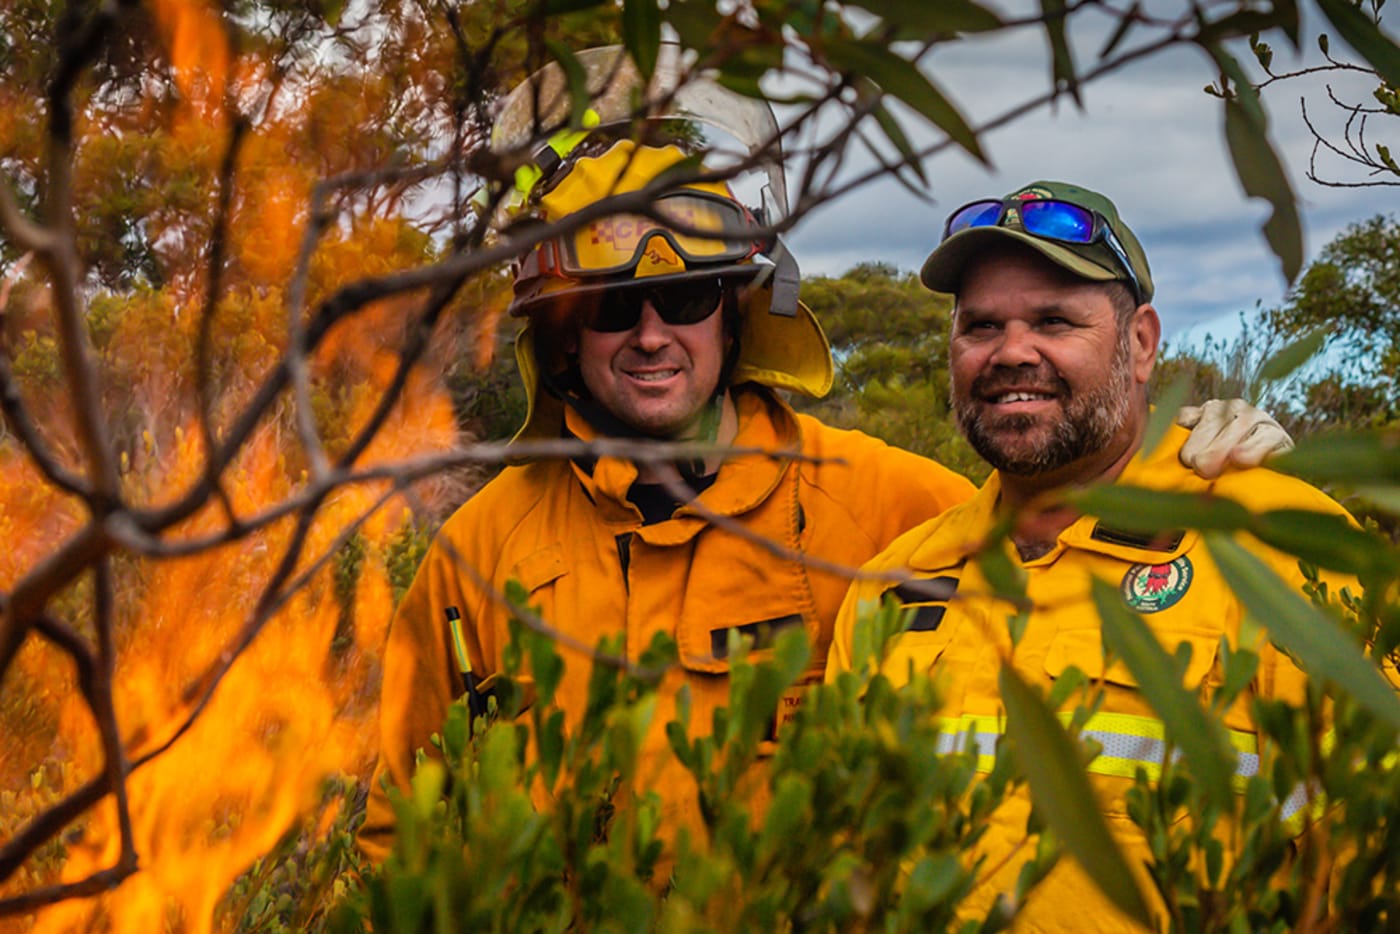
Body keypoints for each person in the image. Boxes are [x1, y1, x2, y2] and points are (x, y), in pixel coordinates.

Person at [824, 180, 1358, 930]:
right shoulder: (897, 580)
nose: (1012, 352)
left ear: (1139, 343)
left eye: (1054, 321)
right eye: (981, 326)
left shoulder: (1276, 542)